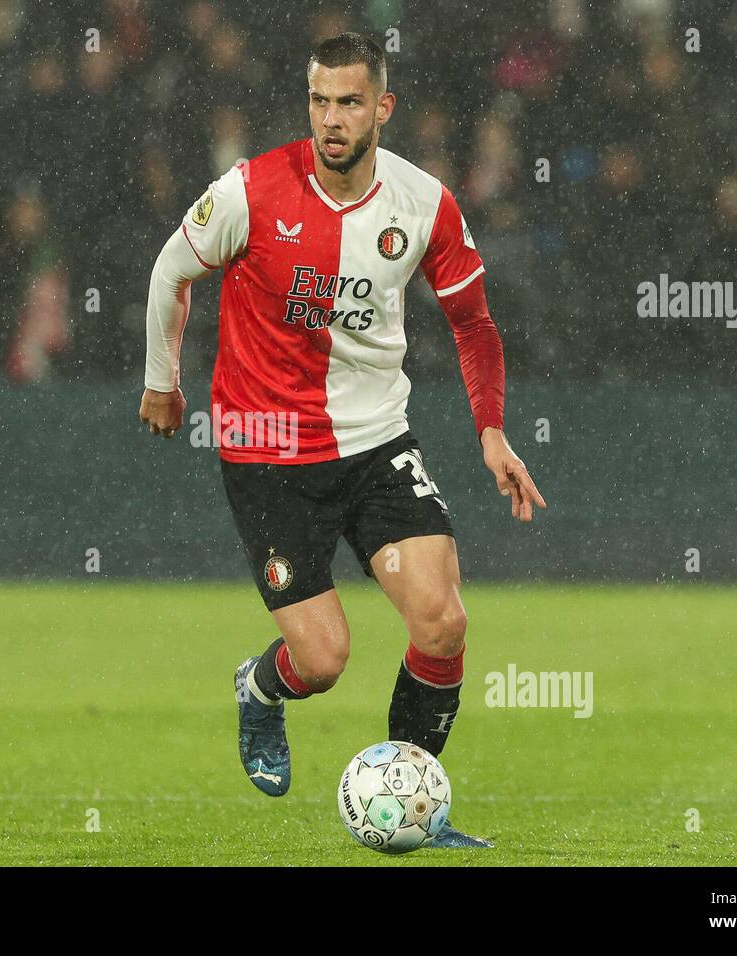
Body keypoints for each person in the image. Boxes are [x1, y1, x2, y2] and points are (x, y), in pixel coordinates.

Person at [140, 33, 546, 848]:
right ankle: (260, 689)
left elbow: (474, 324)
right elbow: (169, 271)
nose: (332, 119)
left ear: (382, 108)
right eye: (320, 101)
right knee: (323, 662)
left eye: (350, 102)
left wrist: (492, 432)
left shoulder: (424, 203)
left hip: (374, 441)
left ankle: (417, 811)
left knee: (442, 621)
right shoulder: (252, 190)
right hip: (266, 449)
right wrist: (162, 381)